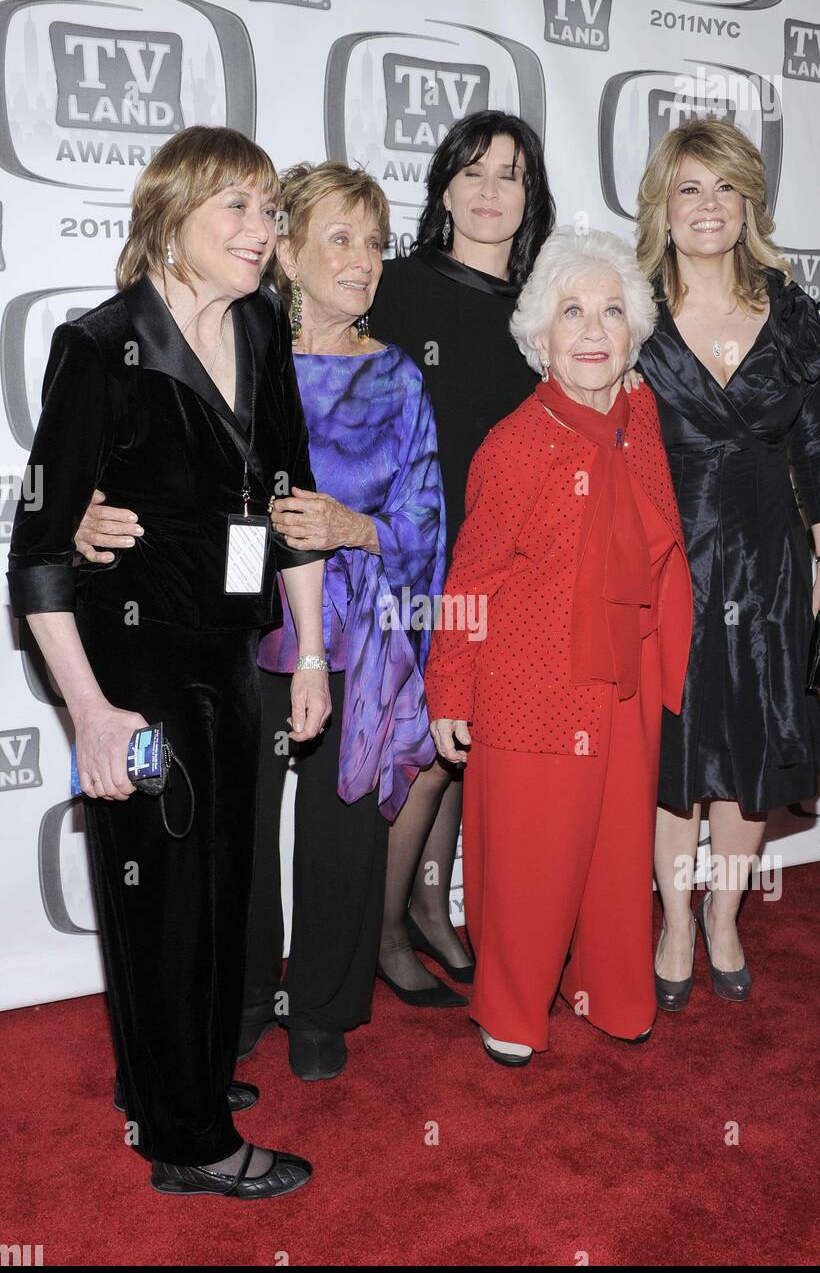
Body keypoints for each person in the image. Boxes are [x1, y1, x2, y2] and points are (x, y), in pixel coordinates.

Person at [7, 126, 331, 1198]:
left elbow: (286, 511)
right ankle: (188, 1145)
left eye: (269, 210)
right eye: (236, 207)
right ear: (172, 213)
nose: (261, 230)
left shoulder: (263, 329)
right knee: (161, 898)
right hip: (135, 668)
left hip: (230, 662)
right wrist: (92, 713)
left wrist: (314, 651)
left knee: (214, 890)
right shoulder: (104, 346)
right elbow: (41, 552)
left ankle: (174, 1078)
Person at [75, 160, 449, 1082]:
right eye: (340, 238)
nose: (364, 262)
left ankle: (322, 1006)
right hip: (234, 628)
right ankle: (243, 997)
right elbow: (156, 459)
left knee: (343, 828)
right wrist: (83, 507)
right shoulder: (234, 346)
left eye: (375, 242)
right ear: (284, 249)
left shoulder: (398, 380)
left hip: (352, 637)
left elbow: (427, 527)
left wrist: (352, 527)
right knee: (235, 830)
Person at [424, 227, 693, 1064]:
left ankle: (613, 992)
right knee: (530, 860)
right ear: (540, 338)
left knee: (617, 857)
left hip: (627, 682)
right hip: (532, 687)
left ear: (633, 337)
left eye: (612, 312)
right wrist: (448, 694)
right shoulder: (512, 445)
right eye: (571, 311)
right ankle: (510, 1006)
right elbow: (468, 581)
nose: (591, 328)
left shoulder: (642, 417)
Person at [634, 118, 820, 1011]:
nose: (709, 206)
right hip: (668, 562)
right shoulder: (633, 310)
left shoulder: (791, 317)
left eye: (725, 187)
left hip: (767, 563)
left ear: (750, 203)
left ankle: (724, 913)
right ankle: (675, 919)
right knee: (677, 756)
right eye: (690, 188)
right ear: (664, 205)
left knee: (750, 749)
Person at [366, 110, 556, 1000]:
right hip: (411, 558)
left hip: (502, 564)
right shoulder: (394, 287)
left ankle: (433, 912)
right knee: (422, 755)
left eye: (509, 176)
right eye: (472, 172)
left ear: (531, 196)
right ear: (444, 187)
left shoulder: (542, 309)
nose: (490, 192)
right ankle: (383, 933)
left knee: (459, 750)